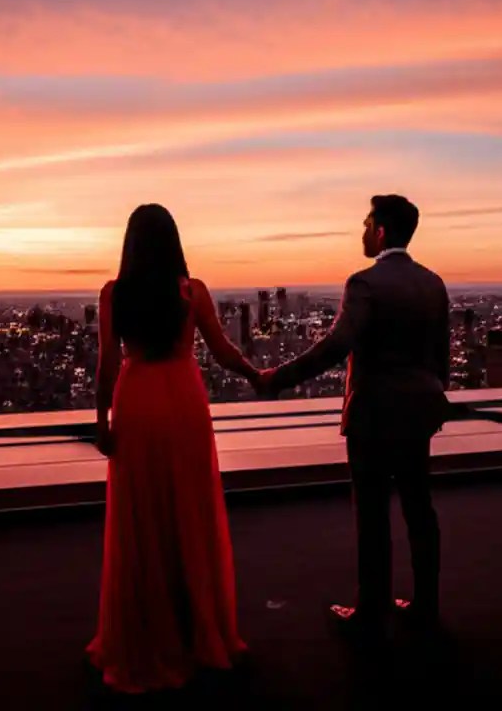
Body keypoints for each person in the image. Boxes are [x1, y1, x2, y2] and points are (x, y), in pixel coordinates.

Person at [258, 194, 451, 641]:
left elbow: (336, 345)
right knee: (419, 507)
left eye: (366, 225)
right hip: (418, 411)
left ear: (380, 232)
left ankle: (371, 610)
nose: (362, 232)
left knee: (372, 513)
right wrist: (430, 396)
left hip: (374, 414)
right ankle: (426, 605)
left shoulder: (364, 283)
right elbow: (440, 355)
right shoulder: (433, 283)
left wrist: (280, 378)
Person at [88, 203, 255, 692]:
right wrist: (258, 375)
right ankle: (196, 630)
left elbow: (106, 366)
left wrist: (101, 422)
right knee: (189, 512)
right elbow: (222, 351)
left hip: (136, 404)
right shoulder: (191, 291)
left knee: (142, 518)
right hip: (184, 403)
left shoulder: (114, 294)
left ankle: (144, 636)